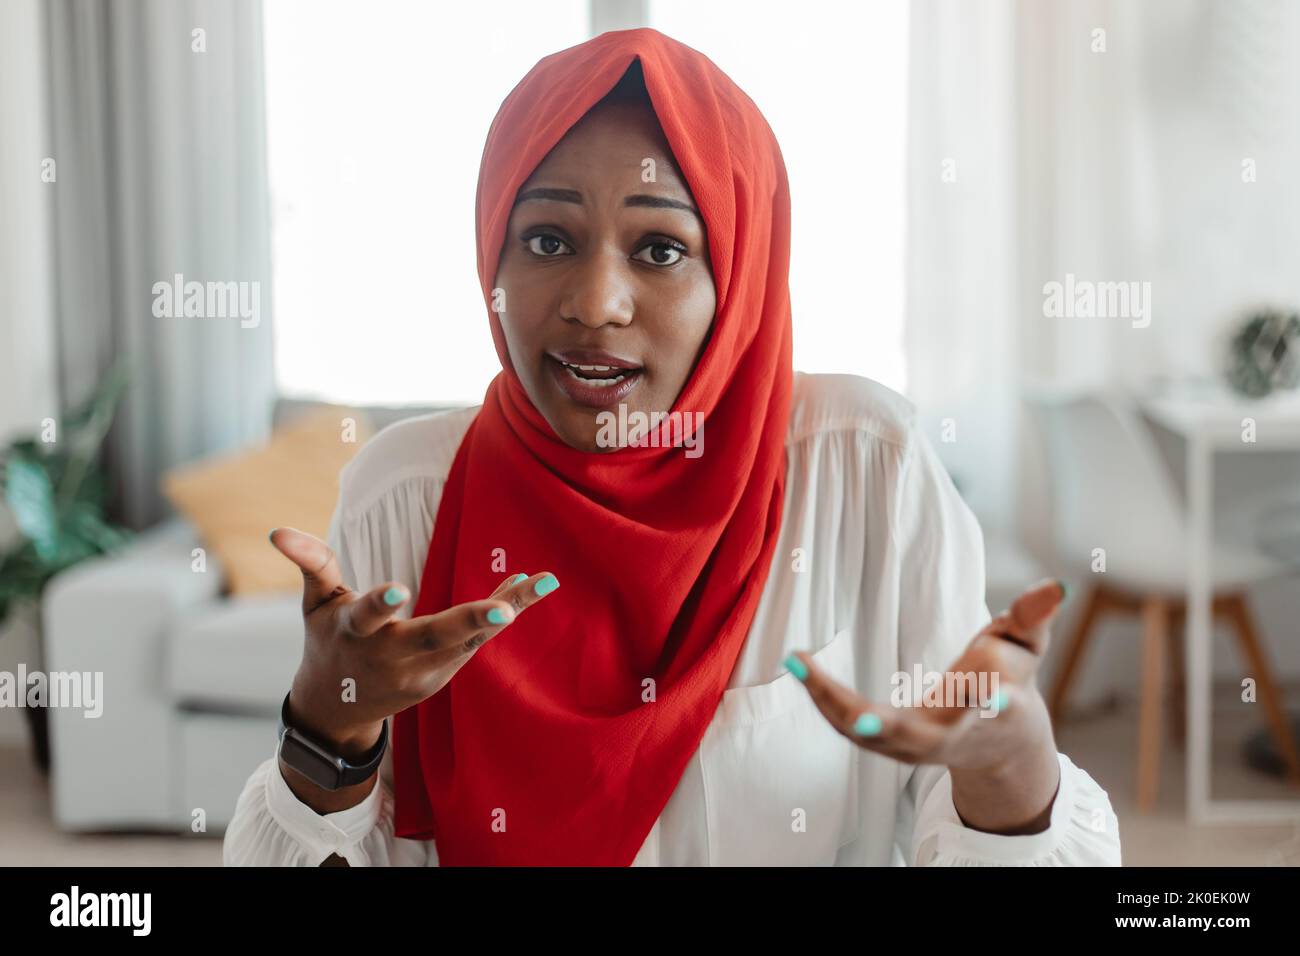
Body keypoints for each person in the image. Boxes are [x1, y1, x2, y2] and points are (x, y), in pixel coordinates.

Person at [224, 27, 1121, 866]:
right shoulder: (404, 492)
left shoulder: (864, 461)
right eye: (547, 238)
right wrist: (324, 728)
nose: (596, 303)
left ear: (740, 272)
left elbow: (954, 805)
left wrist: (1010, 761)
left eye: (658, 250)